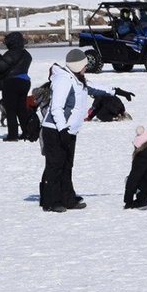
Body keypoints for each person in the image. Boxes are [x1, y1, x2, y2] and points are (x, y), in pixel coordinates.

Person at [38, 48, 112, 212]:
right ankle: (51, 201)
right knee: (55, 166)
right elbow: (56, 108)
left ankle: (67, 198)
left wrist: (115, 91)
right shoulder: (63, 80)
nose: (87, 68)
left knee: (67, 166)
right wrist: (63, 130)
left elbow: (93, 88)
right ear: (77, 66)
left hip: (68, 131)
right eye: (84, 65)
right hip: (55, 130)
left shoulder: (77, 79)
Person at [0, 31, 32, 142]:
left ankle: (12, 135)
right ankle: (26, 132)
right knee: (22, 109)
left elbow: (0, 66)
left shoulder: (11, 53)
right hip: (25, 82)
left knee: (10, 109)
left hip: (11, 83)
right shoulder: (26, 54)